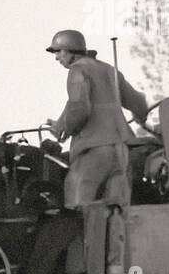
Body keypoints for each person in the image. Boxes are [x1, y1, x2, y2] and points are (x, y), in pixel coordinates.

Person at [45, 29, 148, 209]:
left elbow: (79, 108)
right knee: (118, 213)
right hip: (123, 151)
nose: (56, 58)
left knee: (77, 206)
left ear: (71, 50)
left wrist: (61, 129)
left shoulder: (77, 71)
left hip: (94, 150)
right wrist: (139, 117)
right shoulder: (110, 70)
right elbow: (139, 104)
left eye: (59, 51)